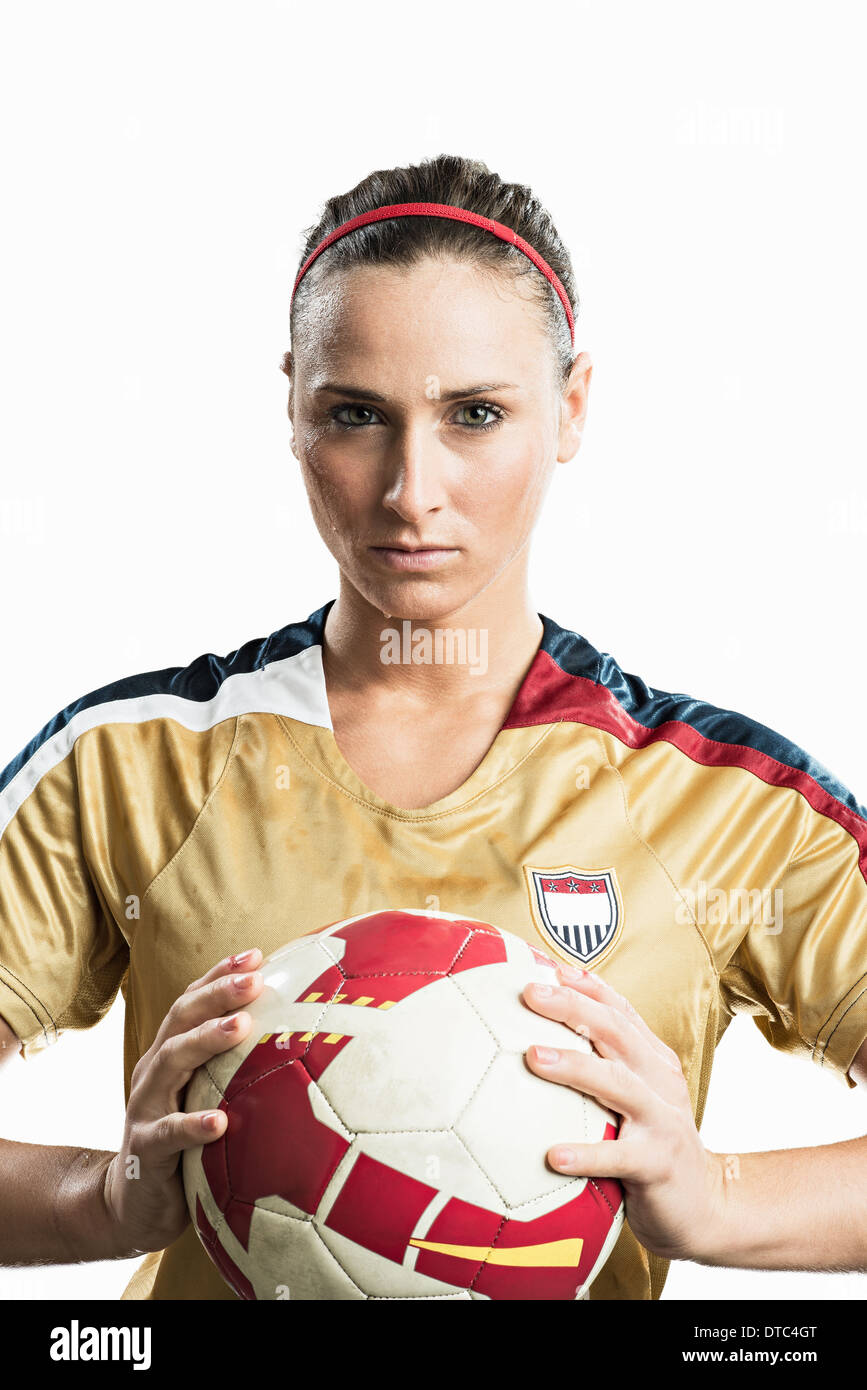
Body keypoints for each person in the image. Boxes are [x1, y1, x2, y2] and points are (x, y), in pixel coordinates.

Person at [1, 153, 865, 1302]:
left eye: (476, 414)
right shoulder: (126, 766)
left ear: (569, 410)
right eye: (356, 414)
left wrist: (719, 1198)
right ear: (293, 408)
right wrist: (103, 1197)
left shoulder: (725, 802)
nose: (413, 487)